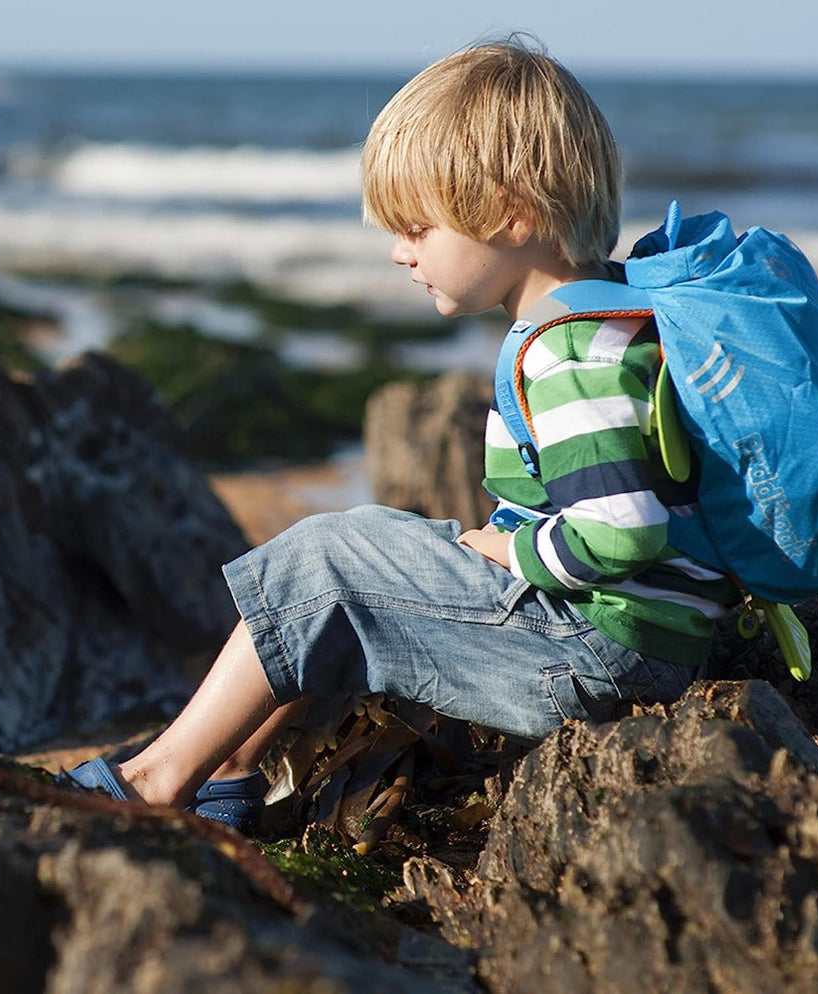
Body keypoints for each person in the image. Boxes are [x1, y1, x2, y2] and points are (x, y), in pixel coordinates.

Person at [60, 38, 738, 833]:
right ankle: (234, 772)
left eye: (418, 228)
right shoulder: (612, 315)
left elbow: (622, 532)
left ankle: (154, 782)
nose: (398, 252)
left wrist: (508, 552)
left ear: (513, 213)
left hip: (597, 656)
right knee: (363, 561)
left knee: (324, 561)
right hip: (635, 638)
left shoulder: (567, 351)